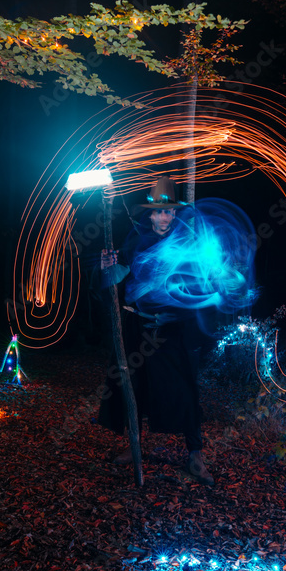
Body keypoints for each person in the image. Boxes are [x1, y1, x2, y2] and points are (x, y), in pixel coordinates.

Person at [96, 176, 214, 485]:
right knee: (134, 386)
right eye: (160, 212)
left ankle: (195, 455)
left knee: (186, 389)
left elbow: (196, 284)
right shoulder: (135, 240)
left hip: (172, 330)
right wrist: (108, 266)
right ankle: (134, 447)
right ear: (149, 214)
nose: (165, 217)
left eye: (170, 212)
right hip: (137, 326)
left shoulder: (185, 243)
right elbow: (116, 279)